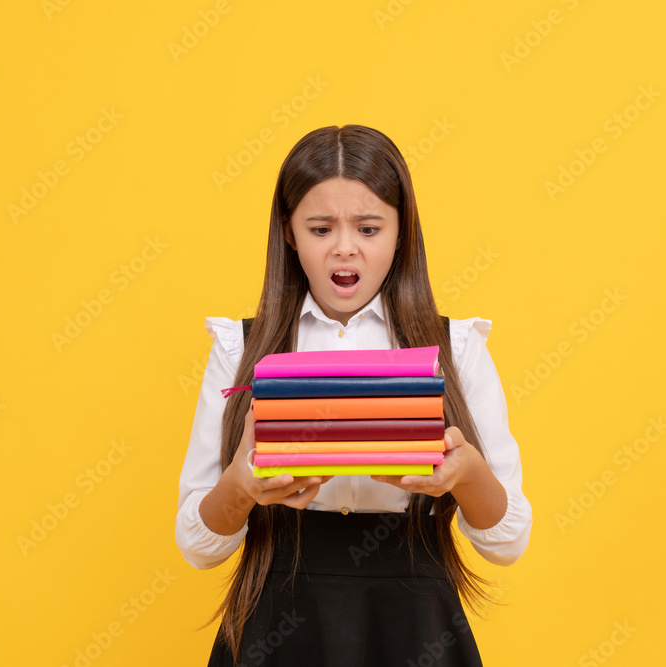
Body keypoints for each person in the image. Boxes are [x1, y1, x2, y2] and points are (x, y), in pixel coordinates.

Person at [176, 124, 532, 666]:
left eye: (369, 228)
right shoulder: (240, 348)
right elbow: (198, 545)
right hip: (280, 619)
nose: (345, 249)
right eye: (320, 229)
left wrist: (465, 474)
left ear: (400, 232)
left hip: (416, 624)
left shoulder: (455, 348)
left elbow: (506, 543)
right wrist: (241, 485)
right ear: (290, 233)